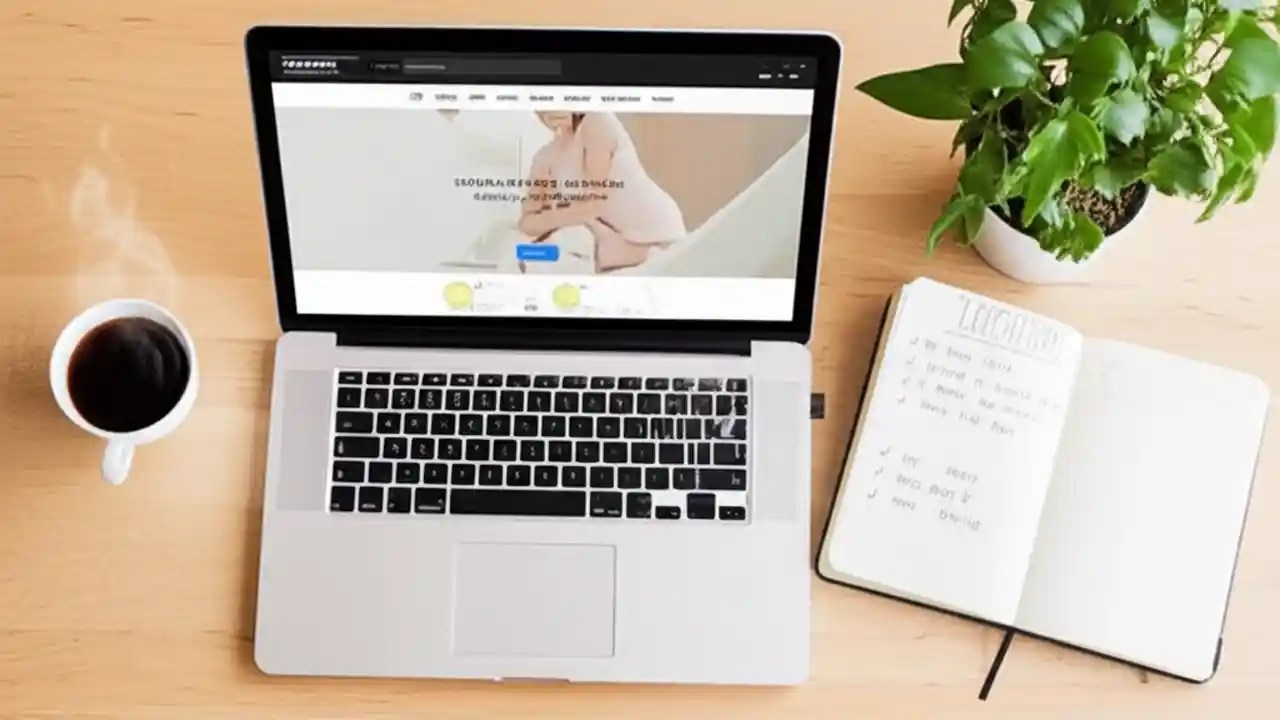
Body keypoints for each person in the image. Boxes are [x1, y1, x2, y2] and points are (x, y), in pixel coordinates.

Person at [519, 111, 686, 273]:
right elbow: (527, 222)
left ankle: (632, 254)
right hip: (609, 238)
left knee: (566, 244)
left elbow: (595, 204)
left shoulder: (597, 121)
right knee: (528, 253)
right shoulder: (544, 157)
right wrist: (561, 218)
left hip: (656, 232)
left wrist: (554, 217)